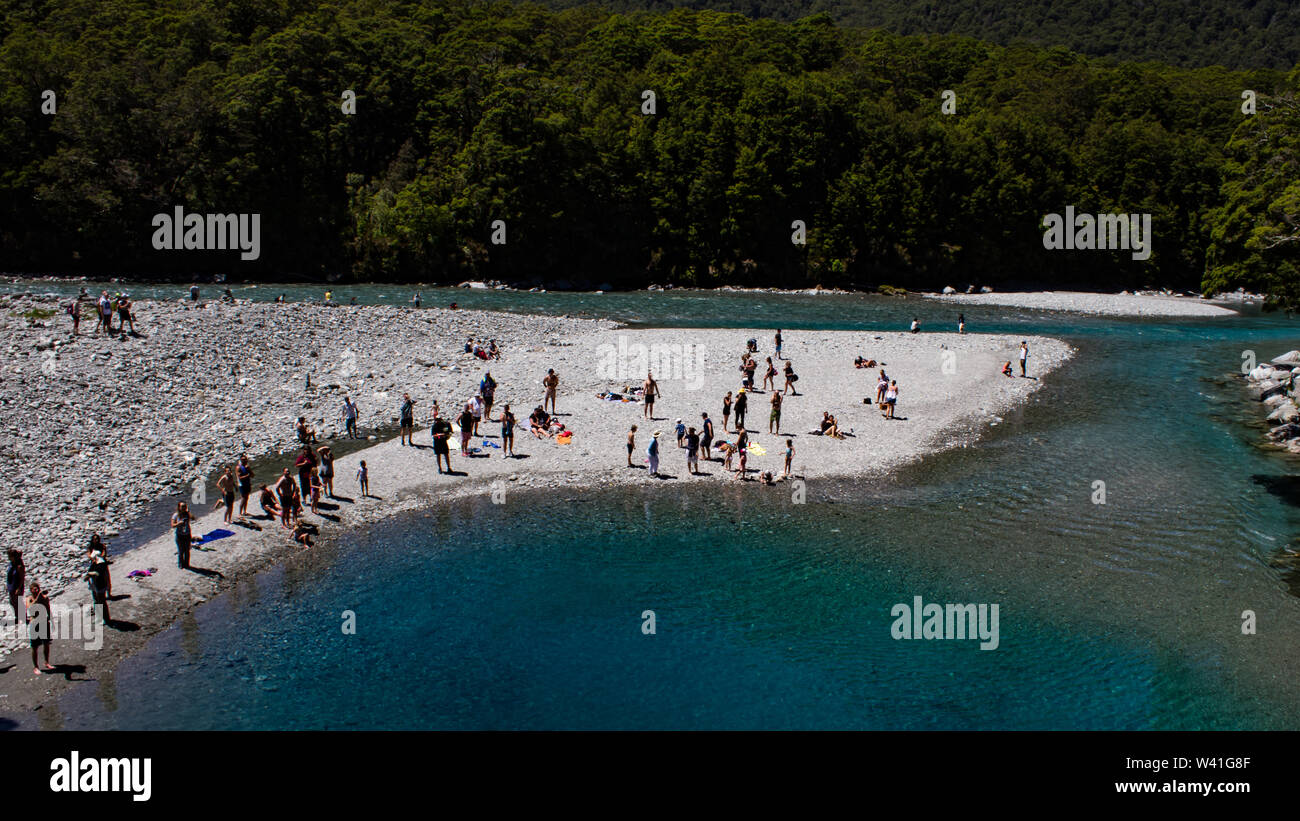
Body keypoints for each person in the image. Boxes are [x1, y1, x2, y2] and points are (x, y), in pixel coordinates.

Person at [27, 582, 52, 674]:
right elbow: (31, 609)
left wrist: (50, 618)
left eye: (37, 588)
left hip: (44, 623)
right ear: (31, 590)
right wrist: (38, 597)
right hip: (34, 624)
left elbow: (48, 608)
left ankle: (47, 662)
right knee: (34, 647)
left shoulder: (44, 598)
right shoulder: (29, 599)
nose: (36, 590)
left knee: (46, 643)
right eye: (34, 588)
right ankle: (36, 667)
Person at [87, 550, 111, 624]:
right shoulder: (95, 563)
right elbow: (90, 572)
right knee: (96, 601)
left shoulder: (101, 564)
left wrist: (90, 574)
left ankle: (106, 619)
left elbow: (97, 574)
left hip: (100, 585)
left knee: (102, 601)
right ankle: (99, 617)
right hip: (94, 584)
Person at [172, 501, 195, 569]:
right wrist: (179, 523)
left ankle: (187, 564)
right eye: (182, 506)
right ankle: (181, 564)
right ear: (179, 507)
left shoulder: (187, 514)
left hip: (187, 534)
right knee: (181, 550)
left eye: (185, 506)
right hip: (179, 535)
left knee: (187, 550)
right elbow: (173, 525)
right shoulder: (175, 515)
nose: (184, 508)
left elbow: (193, 518)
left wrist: (188, 512)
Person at [6, 548, 24, 624]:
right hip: (11, 587)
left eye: (9, 556)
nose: (8, 558)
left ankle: (21, 617)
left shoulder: (19, 566)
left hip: (16, 587)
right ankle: (19, 616)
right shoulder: (11, 563)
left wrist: (19, 588)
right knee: (12, 602)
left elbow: (22, 578)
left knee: (17, 603)